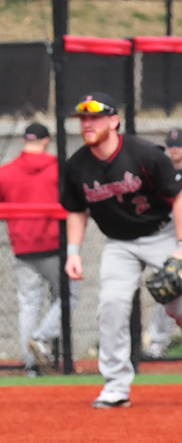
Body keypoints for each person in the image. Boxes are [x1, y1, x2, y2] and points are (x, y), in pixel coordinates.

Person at [62, 93, 182, 408]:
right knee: (111, 305)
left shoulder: (144, 154)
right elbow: (75, 210)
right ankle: (116, 386)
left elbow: (179, 196)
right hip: (119, 243)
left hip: (163, 233)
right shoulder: (77, 166)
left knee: (179, 308)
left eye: (95, 118)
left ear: (114, 121)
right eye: (83, 119)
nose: (87, 124)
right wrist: (73, 251)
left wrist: (181, 248)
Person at [0, 123, 79, 376]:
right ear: (46, 141)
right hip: (54, 245)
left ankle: (30, 364)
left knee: (29, 304)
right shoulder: (59, 167)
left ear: (24, 141)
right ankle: (41, 339)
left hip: (22, 245)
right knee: (70, 295)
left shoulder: (4, 172)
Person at [144, 128, 182, 359]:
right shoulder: (161, 174)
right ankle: (158, 342)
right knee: (167, 286)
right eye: (171, 145)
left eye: (178, 145)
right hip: (167, 239)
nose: (174, 149)